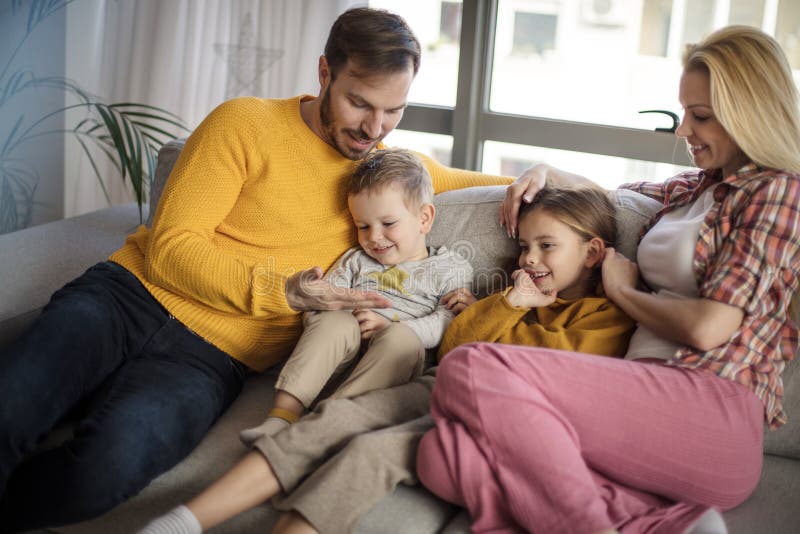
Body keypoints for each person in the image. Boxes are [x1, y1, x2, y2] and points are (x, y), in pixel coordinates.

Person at [0, 7, 510, 531]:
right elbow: (172, 248)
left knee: (102, 472)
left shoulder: (391, 174)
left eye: (393, 111)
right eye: (360, 103)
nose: (373, 129)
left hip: (213, 359)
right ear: (324, 73)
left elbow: (501, 186)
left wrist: (539, 177)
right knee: (11, 404)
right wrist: (280, 293)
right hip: (126, 298)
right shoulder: (245, 122)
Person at [416, 25, 800, 534]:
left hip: (712, 406)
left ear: (748, 113)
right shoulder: (692, 190)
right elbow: (611, 196)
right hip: (639, 403)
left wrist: (622, 291)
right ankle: (668, 524)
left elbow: (710, 327)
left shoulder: (779, 193)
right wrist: (546, 170)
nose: (683, 130)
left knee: (468, 369)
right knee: (440, 455)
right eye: (684, 112)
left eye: (701, 116)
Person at [138, 185, 635, 534]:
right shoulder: (512, 293)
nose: (529, 259)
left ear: (593, 252)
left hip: (498, 416)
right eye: (525, 246)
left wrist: (517, 311)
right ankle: (183, 521)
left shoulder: (605, 316)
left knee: (367, 454)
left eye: (546, 246)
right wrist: (507, 304)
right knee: (339, 417)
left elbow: (561, 377)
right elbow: (457, 345)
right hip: (443, 382)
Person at [238, 147, 473, 443]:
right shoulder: (356, 259)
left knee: (400, 340)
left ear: (424, 218)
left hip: (397, 360)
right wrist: (320, 298)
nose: (373, 236)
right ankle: (282, 415)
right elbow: (325, 303)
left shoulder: (450, 267)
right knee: (333, 321)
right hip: (343, 355)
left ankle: (328, 425)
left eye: (387, 224)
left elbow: (449, 321)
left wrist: (392, 327)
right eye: (363, 226)